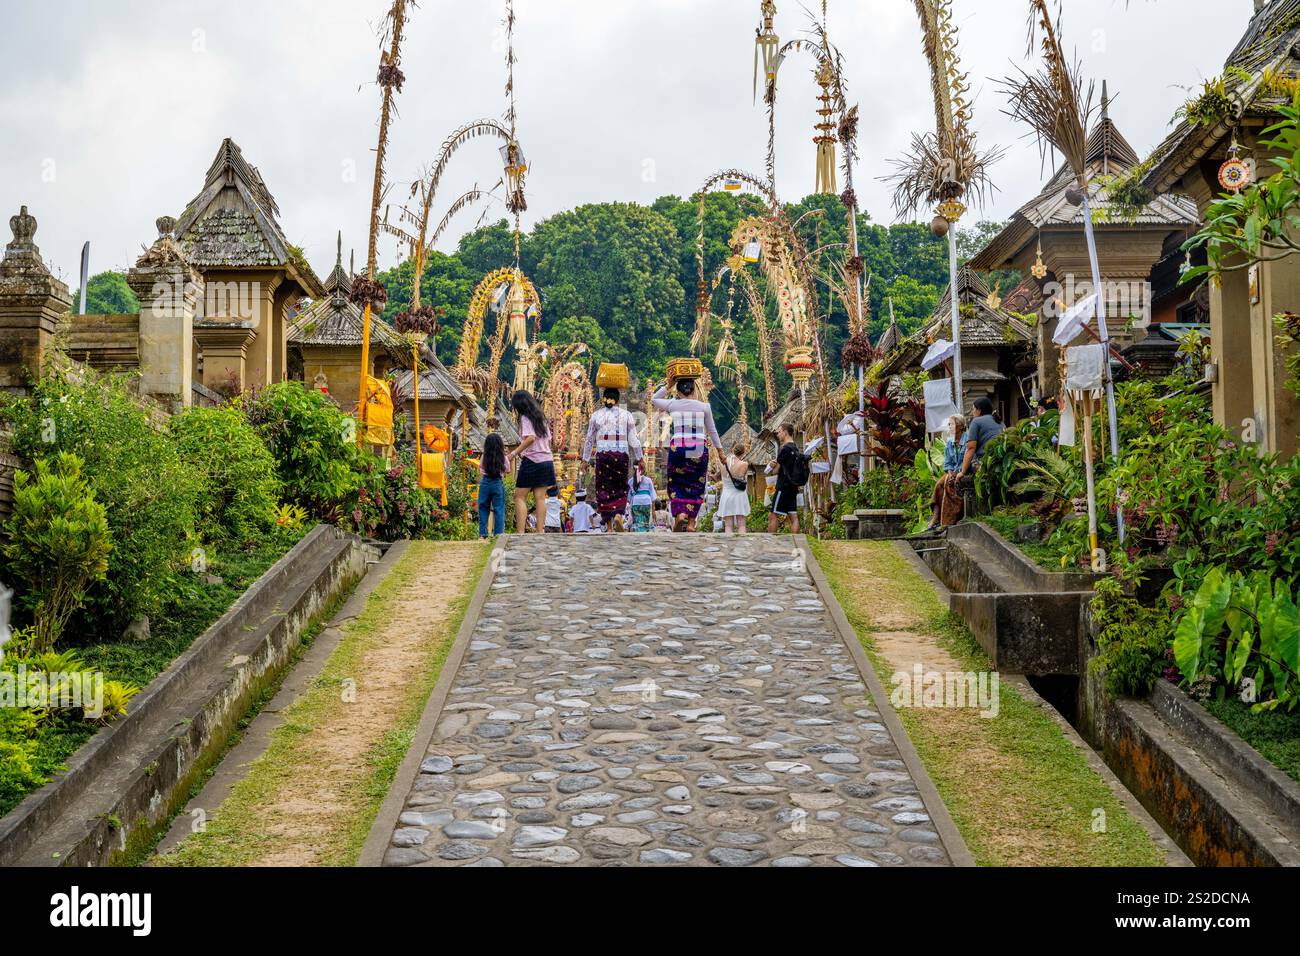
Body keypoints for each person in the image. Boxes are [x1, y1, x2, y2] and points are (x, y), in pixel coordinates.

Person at [653, 375, 724, 532]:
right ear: (694, 390)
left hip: (678, 447)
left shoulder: (673, 404)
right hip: (698, 446)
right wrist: (720, 452)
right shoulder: (704, 407)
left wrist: (668, 385)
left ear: (678, 391)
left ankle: (681, 514)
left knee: (676, 482)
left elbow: (654, 399)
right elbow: (712, 431)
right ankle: (691, 523)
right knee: (696, 484)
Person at [581, 387, 642, 533]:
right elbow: (634, 439)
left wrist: (585, 459)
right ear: (618, 399)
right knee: (620, 487)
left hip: (603, 455)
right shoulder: (626, 415)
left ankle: (609, 527)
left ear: (604, 398)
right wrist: (640, 458)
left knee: (604, 489)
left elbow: (589, 439)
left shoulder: (596, 415)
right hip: (621, 455)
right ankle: (619, 515)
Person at [507, 389, 555, 534]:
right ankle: (540, 530)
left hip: (533, 460)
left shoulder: (525, 418)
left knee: (520, 496)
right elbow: (548, 440)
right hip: (546, 460)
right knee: (540, 498)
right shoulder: (541, 418)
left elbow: (531, 438)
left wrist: (514, 453)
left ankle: (520, 532)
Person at [926, 414, 967, 531]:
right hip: (952, 472)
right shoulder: (950, 442)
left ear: (959, 426)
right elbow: (948, 462)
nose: (949, 426)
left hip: (962, 472)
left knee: (948, 485)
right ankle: (935, 518)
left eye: (951, 424)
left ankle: (946, 521)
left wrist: (955, 473)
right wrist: (949, 473)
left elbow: (967, 459)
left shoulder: (967, 440)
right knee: (939, 484)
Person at [767, 423, 806, 535]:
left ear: (785, 432)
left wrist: (772, 465)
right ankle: (796, 540)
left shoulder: (784, 449)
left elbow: (775, 471)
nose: (778, 434)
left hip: (783, 486)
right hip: (793, 486)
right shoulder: (795, 448)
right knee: (793, 515)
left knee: (773, 514)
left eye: (779, 432)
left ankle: (771, 540)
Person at [956, 397, 1005, 485]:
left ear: (979, 410)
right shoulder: (1000, 421)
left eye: (973, 409)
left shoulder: (976, 421)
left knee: (958, 470)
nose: (972, 412)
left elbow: (970, 448)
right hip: (1002, 460)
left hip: (985, 463)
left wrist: (962, 472)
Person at [477, 433, 508, 539]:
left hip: (485, 482)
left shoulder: (484, 456)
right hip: (497, 482)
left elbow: (481, 469)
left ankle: (483, 533)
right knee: (499, 509)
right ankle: (498, 534)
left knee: (483, 508)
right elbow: (508, 469)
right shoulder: (503, 457)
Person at [717, 441, 752, 534]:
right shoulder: (744, 464)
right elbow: (743, 477)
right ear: (743, 452)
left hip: (727, 495)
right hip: (739, 495)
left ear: (732, 450)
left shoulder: (722, 464)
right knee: (742, 524)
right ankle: (742, 545)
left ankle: (729, 545)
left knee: (728, 525)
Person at [629, 461, 657, 532]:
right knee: (646, 522)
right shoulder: (648, 480)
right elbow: (653, 495)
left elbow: (629, 498)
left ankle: (638, 534)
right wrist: (653, 510)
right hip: (646, 501)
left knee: (637, 522)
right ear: (643, 469)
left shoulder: (630, 481)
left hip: (636, 502)